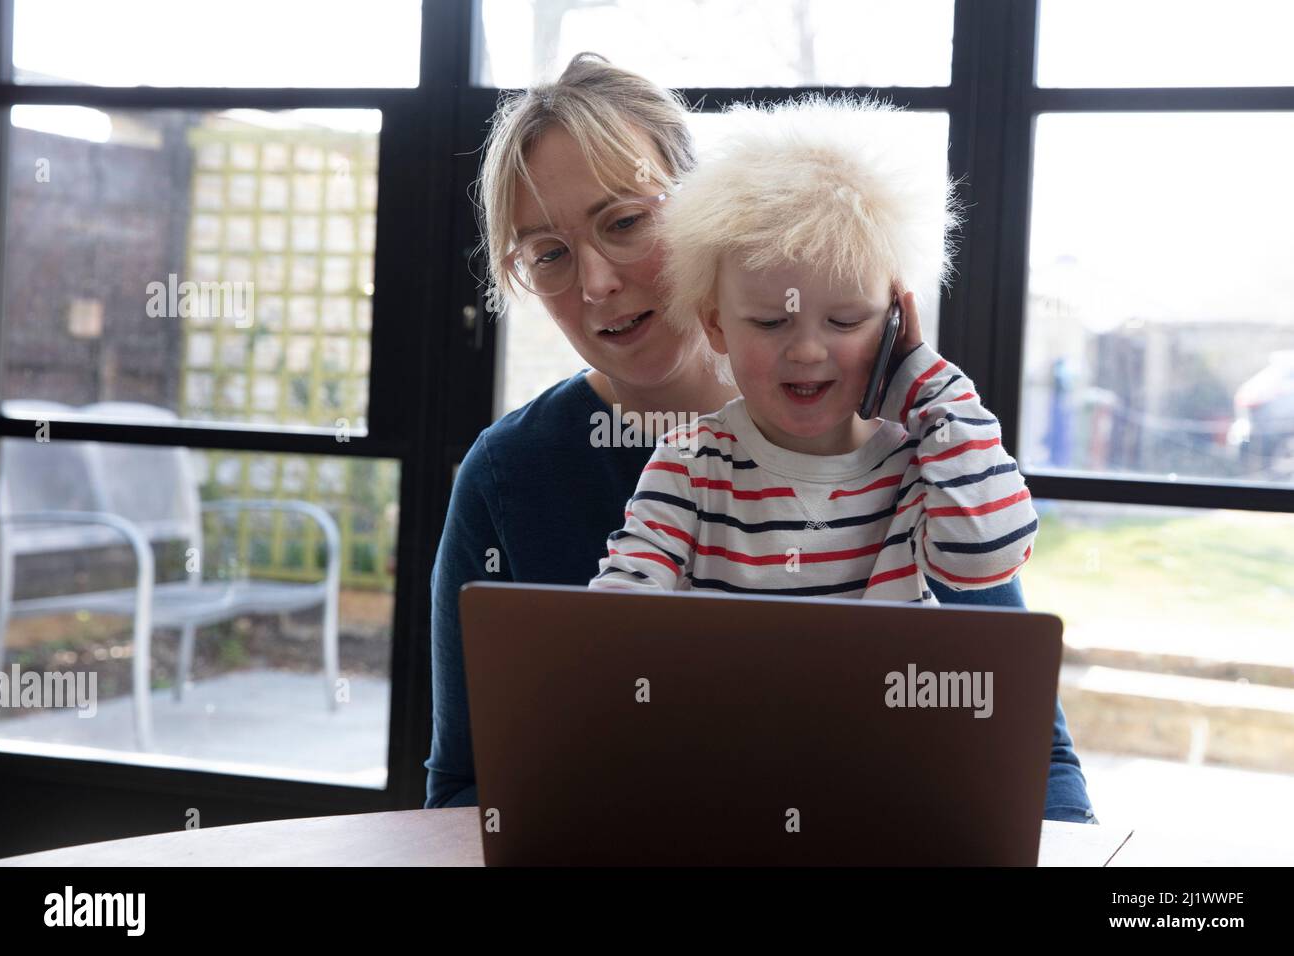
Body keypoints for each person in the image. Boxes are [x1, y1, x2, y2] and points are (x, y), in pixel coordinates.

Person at [426, 52, 1097, 824]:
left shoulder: (901, 447)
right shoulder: (509, 473)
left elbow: (1030, 755)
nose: (597, 283)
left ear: (703, 211)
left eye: (625, 222)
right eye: (548, 254)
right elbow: (465, 787)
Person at [589, 93, 1036, 601]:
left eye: (845, 321)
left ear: (896, 323)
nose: (806, 351)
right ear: (715, 325)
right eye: (770, 321)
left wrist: (929, 385)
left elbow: (985, 560)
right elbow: (618, 612)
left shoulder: (920, 461)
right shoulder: (691, 465)